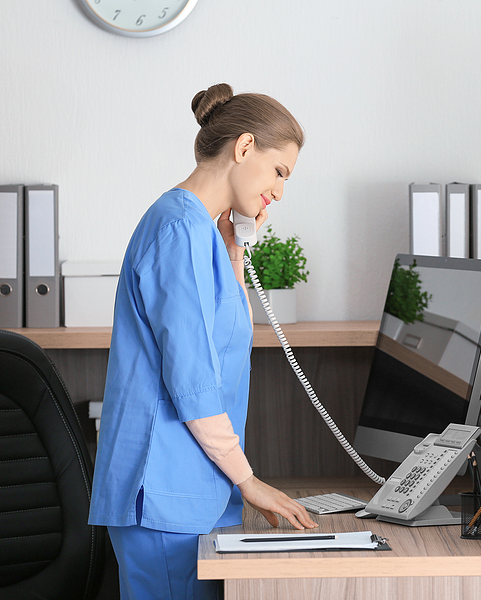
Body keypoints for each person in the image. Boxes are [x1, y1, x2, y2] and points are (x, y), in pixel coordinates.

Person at [88, 83, 318, 600]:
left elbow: (223, 336)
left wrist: (238, 243)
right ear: (243, 148)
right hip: (163, 493)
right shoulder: (178, 230)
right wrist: (248, 479)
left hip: (188, 489)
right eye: (279, 171)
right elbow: (193, 380)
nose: (280, 192)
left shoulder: (204, 233)